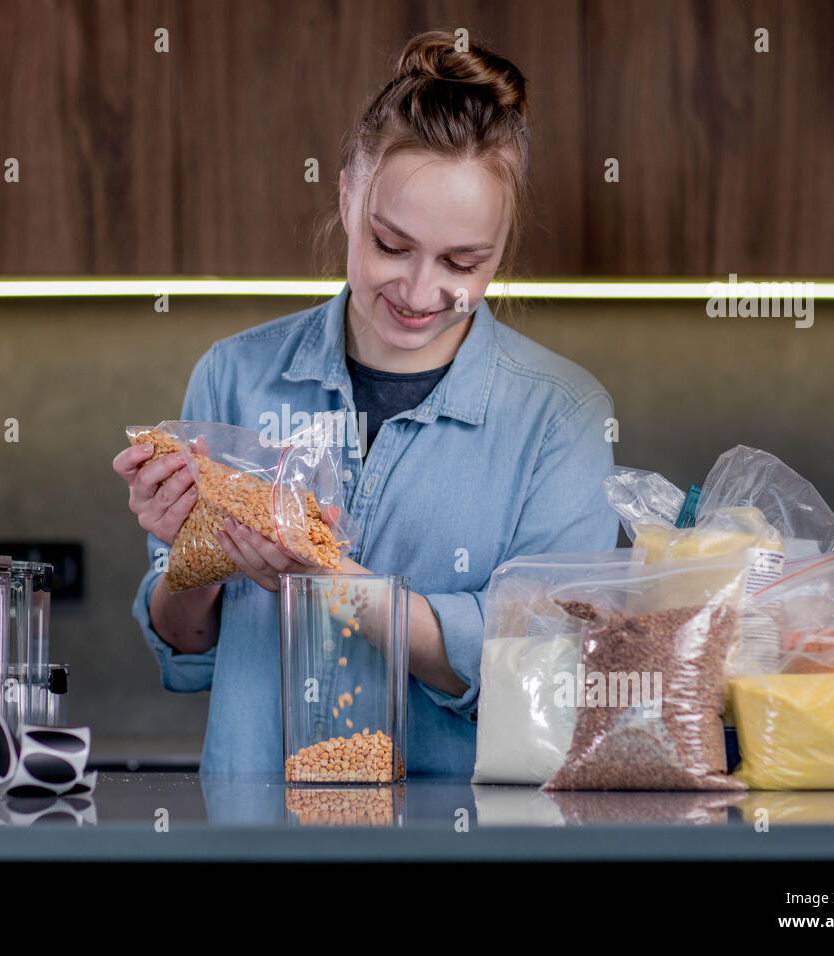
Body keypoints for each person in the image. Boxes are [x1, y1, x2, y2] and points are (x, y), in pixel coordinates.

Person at [112, 31, 618, 777]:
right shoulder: (237, 376)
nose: (418, 293)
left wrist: (334, 587)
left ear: (501, 251)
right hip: (260, 830)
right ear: (348, 196)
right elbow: (185, 648)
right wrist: (198, 560)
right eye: (390, 245)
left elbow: (542, 670)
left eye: (461, 263)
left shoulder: (560, 416)